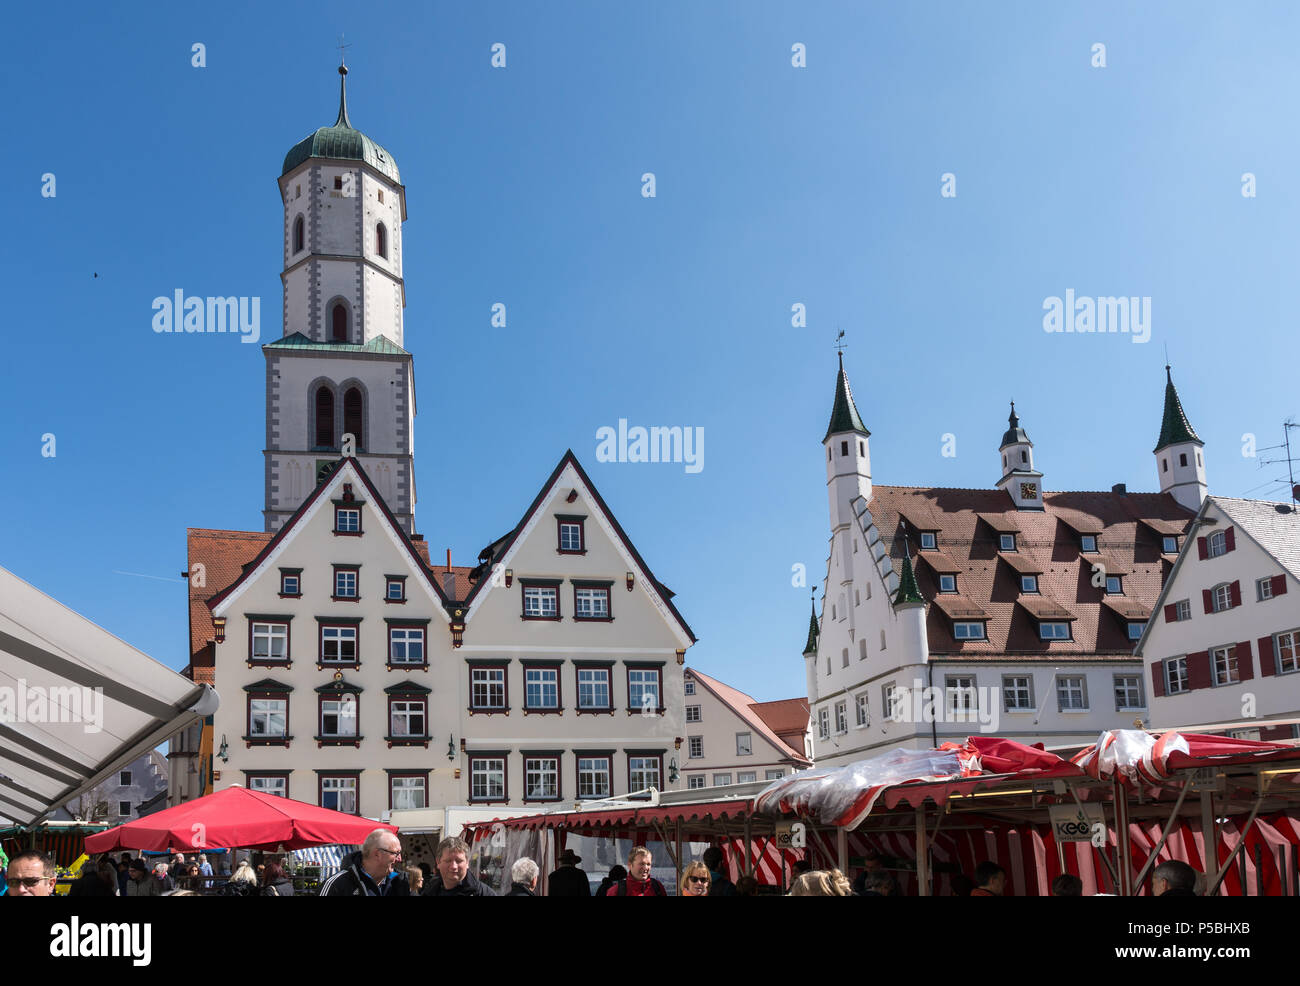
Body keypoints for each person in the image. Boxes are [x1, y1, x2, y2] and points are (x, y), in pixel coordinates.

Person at [320, 829, 403, 896]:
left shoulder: (400, 883)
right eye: (396, 853)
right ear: (377, 854)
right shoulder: (337, 885)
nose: (400, 859)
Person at [421, 836, 496, 896]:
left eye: (459, 861)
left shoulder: (483, 893)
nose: (454, 866)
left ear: (467, 863)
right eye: (448, 861)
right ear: (438, 862)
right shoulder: (430, 891)